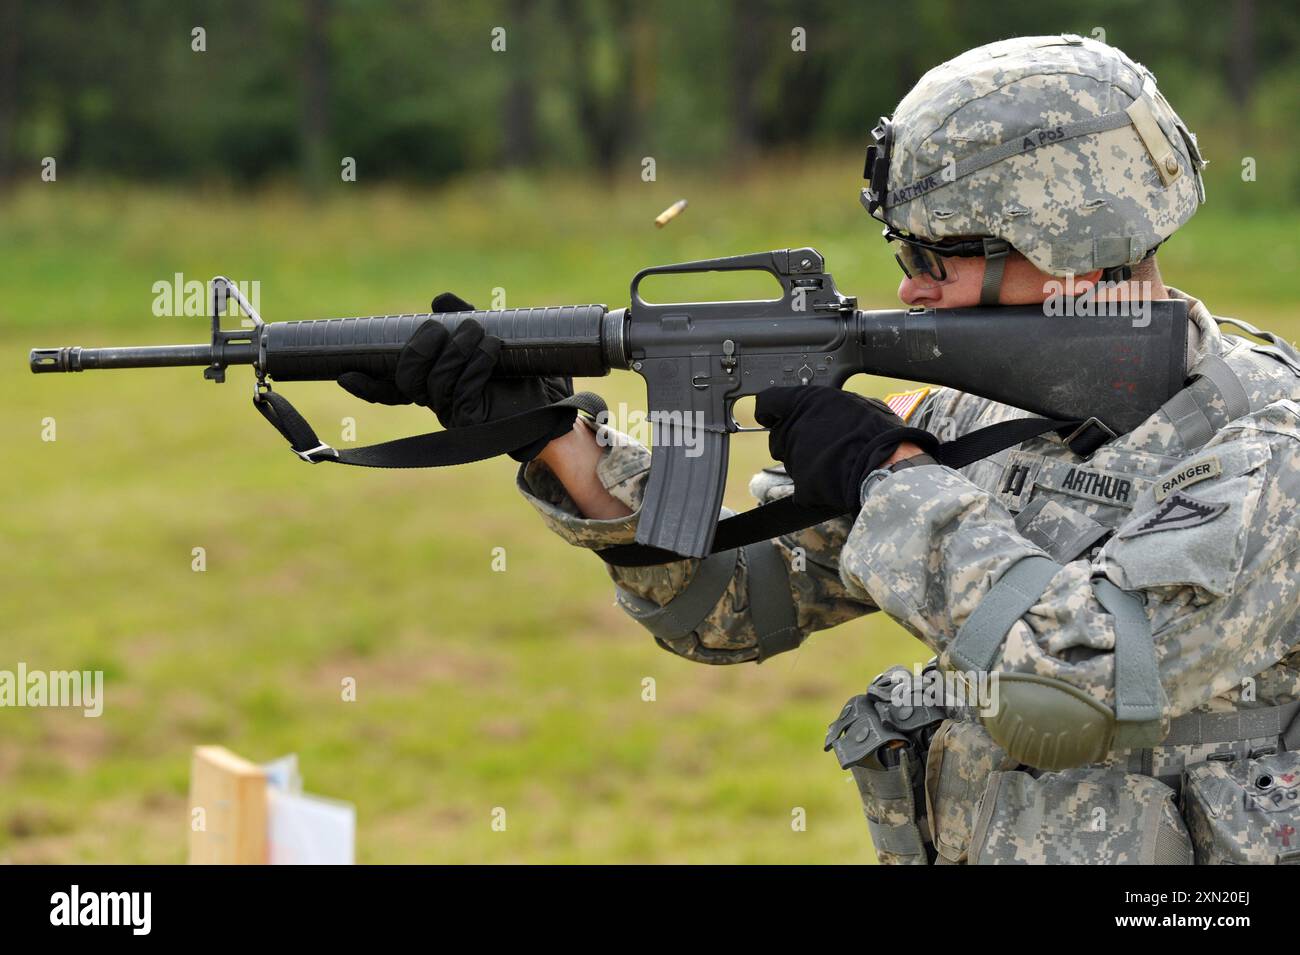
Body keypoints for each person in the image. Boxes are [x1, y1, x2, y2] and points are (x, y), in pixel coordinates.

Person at [340, 35, 1300, 864]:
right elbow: (733, 603)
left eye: (937, 258)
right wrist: (554, 436)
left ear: (1068, 242)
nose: (912, 289)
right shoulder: (964, 416)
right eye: (903, 259)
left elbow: (1070, 686)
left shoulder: (1267, 443)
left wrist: (889, 478)